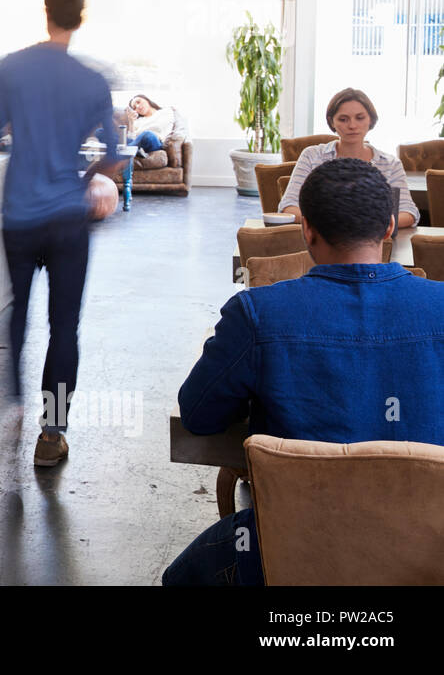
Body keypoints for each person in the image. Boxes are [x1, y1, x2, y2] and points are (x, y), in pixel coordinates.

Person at [164, 158, 444, 585]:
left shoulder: (257, 313)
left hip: (295, 539)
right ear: (389, 227)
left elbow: (199, 417)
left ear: (306, 229)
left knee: (182, 577)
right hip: (428, 545)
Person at [0, 0, 124, 468]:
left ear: (46, 12)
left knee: (17, 313)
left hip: (19, 214)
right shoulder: (93, 80)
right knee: (64, 327)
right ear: (81, 17)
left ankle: (14, 404)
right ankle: (52, 430)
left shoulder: (12, 68)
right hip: (67, 220)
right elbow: (116, 157)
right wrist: (86, 180)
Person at [278, 87, 418, 230]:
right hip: (322, 240)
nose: (352, 125)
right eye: (343, 119)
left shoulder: (390, 164)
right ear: (332, 121)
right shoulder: (312, 156)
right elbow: (288, 207)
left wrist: (368, 226)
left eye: (360, 118)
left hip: (375, 243)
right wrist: (331, 225)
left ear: (370, 119)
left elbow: (409, 213)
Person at [126, 94, 174, 159]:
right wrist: (131, 121)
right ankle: (135, 151)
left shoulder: (165, 112)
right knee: (124, 139)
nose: (137, 106)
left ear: (146, 99)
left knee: (148, 134)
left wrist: (139, 132)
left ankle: (126, 151)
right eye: (134, 108)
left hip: (156, 143)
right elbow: (131, 139)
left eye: (138, 102)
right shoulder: (138, 121)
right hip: (140, 144)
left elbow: (159, 126)